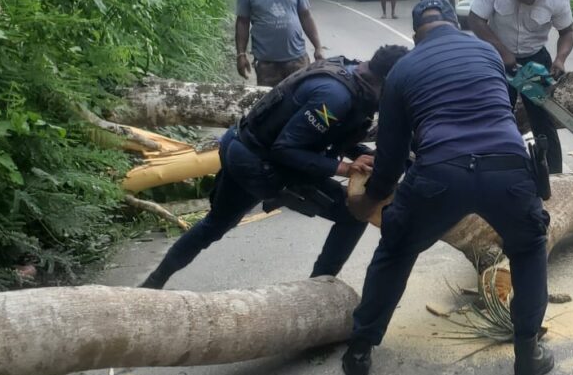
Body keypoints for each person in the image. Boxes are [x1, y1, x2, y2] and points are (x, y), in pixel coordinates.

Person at [340, 0, 553, 375]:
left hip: (440, 172)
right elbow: (503, 108)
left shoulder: (403, 69)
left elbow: (389, 158)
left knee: (395, 250)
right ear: (455, 23)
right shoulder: (489, 52)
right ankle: (528, 354)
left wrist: (371, 200)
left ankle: (359, 351)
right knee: (528, 247)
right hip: (506, 169)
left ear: (416, 34)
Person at [139, 46, 409, 289]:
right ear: (388, 80)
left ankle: (153, 283)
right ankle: (316, 294)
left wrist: (360, 155)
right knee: (354, 214)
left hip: (243, 144)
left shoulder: (351, 71)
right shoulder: (334, 96)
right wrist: (344, 168)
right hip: (260, 163)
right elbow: (287, 148)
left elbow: (329, 132)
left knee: (214, 225)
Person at [468, 0, 573, 174]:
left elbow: (567, 32)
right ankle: (493, 171)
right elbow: (476, 20)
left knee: (542, 118)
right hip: (499, 57)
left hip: (534, 60)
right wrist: (503, 53)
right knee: (496, 114)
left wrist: (560, 59)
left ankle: (553, 173)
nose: (529, 1)